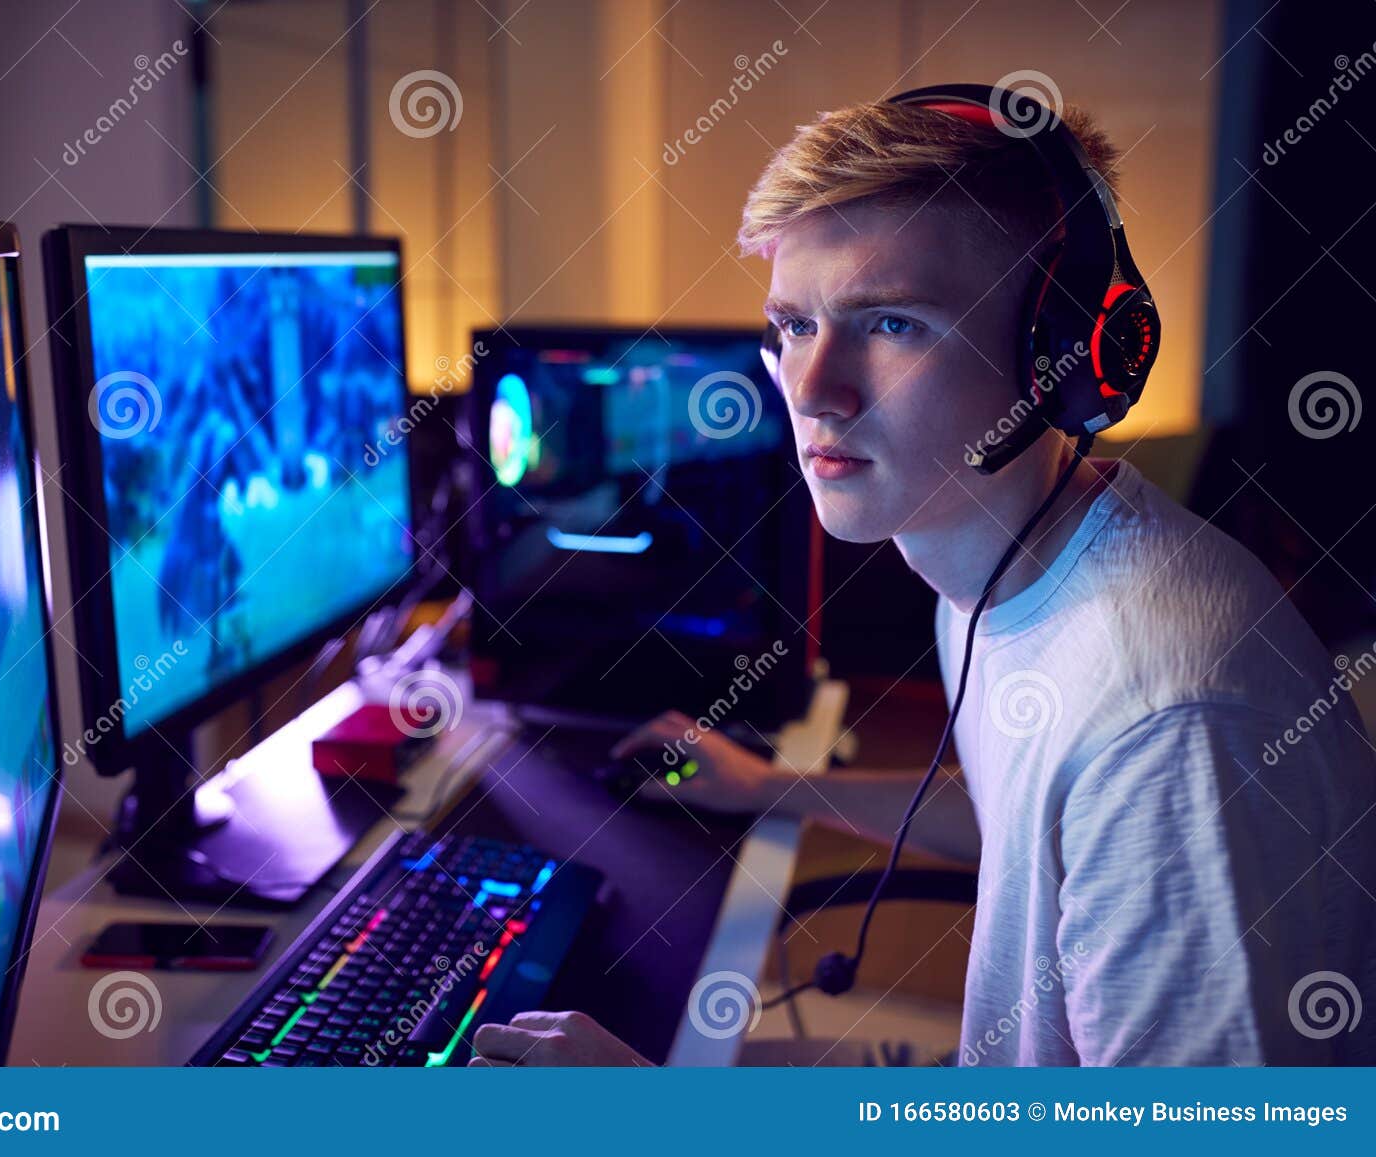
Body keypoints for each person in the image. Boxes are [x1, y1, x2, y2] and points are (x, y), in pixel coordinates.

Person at [469, 94, 1376, 1067]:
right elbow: (1024, 817)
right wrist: (773, 786)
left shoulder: (1171, 733)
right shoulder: (1002, 558)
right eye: (792, 324)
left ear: (1061, 359)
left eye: (892, 323)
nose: (811, 390)